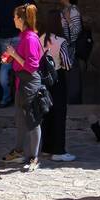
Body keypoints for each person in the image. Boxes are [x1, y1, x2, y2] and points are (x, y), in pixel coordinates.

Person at [1, 3, 44, 171]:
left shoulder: (30, 38)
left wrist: (14, 55)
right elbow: (22, 59)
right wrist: (10, 57)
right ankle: (19, 151)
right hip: (22, 82)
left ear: (21, 19)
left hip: (30, 83)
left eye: (15, 17)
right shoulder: (24, 36)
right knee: (20, 118)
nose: (13, 19)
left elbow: (32, 66)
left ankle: (34, 157)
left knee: (32, 120)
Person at [41, 9, 75, 162]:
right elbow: (67, 65)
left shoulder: (40, 39)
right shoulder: (61, 42)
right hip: (58, 78)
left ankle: (46, 147)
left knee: (47, 113)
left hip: (43, 79)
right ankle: (58, 149)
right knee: (59, 114)